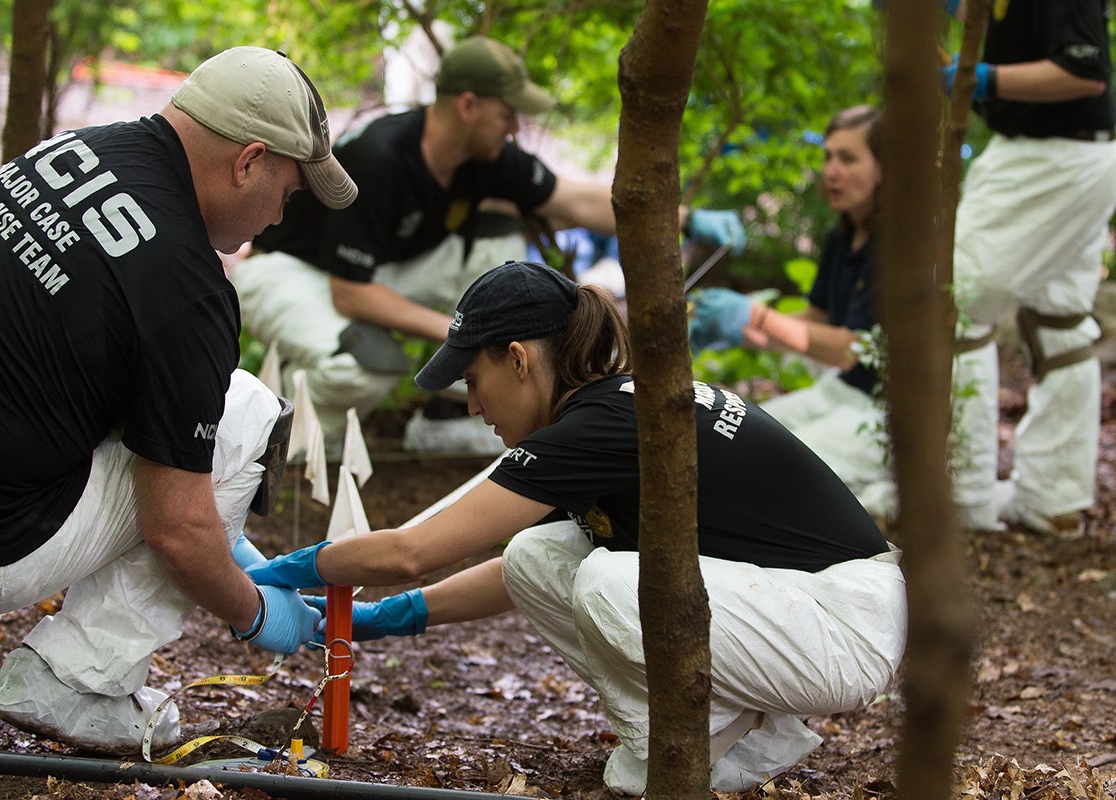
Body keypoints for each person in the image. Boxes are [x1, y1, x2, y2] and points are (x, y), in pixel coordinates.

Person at [0, 47, 349, 752]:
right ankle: (76, 683)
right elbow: (178, 531)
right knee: (246, 413)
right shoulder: (186, 287)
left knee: (9, 403)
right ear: (248, 160)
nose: (282, 214)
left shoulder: (62, 155)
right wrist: (256, 612)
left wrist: (233, 545)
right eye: (289, 188)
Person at [245, 261, 908, 794]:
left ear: (519, 359)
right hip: (805, 608)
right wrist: (388, 617)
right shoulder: (610, 409)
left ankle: (697, 743)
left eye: (474, 380)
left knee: (606, 581)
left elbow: (414, 551)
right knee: (539, 553)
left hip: (843, 623)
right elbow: (516, 573)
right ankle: (748, 729)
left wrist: (279, 572)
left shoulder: (598, 427)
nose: (472, 405)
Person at [231, 35, 746, 455]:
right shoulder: (380, 158)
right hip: (286, 270)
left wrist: (684, 218)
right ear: (469, 105)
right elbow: (351, 295)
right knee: (366, 359)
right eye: (508, 113)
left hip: (378, 272)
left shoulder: (490, 159)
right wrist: (467, 339)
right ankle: (285, 443)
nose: (516, 126)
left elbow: (576, 203)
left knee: (498, 236)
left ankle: (446, 415)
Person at [943, 0, 1116, 533]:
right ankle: (1055, 502)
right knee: (1059, 320)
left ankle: (963, 499)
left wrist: (980, 78)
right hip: (1078, 155)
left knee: (955, 302)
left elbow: (1083, 71)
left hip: (1056, 160)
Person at [687, 105, 897, 520]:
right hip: (842, 392)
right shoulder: (844, 236)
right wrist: (742, 326)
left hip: (887, 415)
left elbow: (851, 349)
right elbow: (814, 324)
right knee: (734, 439)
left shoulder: (897, 244)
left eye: (848, 158)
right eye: (828, 157)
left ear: (886, 168)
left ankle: (889, 495)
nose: (831, 171)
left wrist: (757, 314)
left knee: (767, 475)